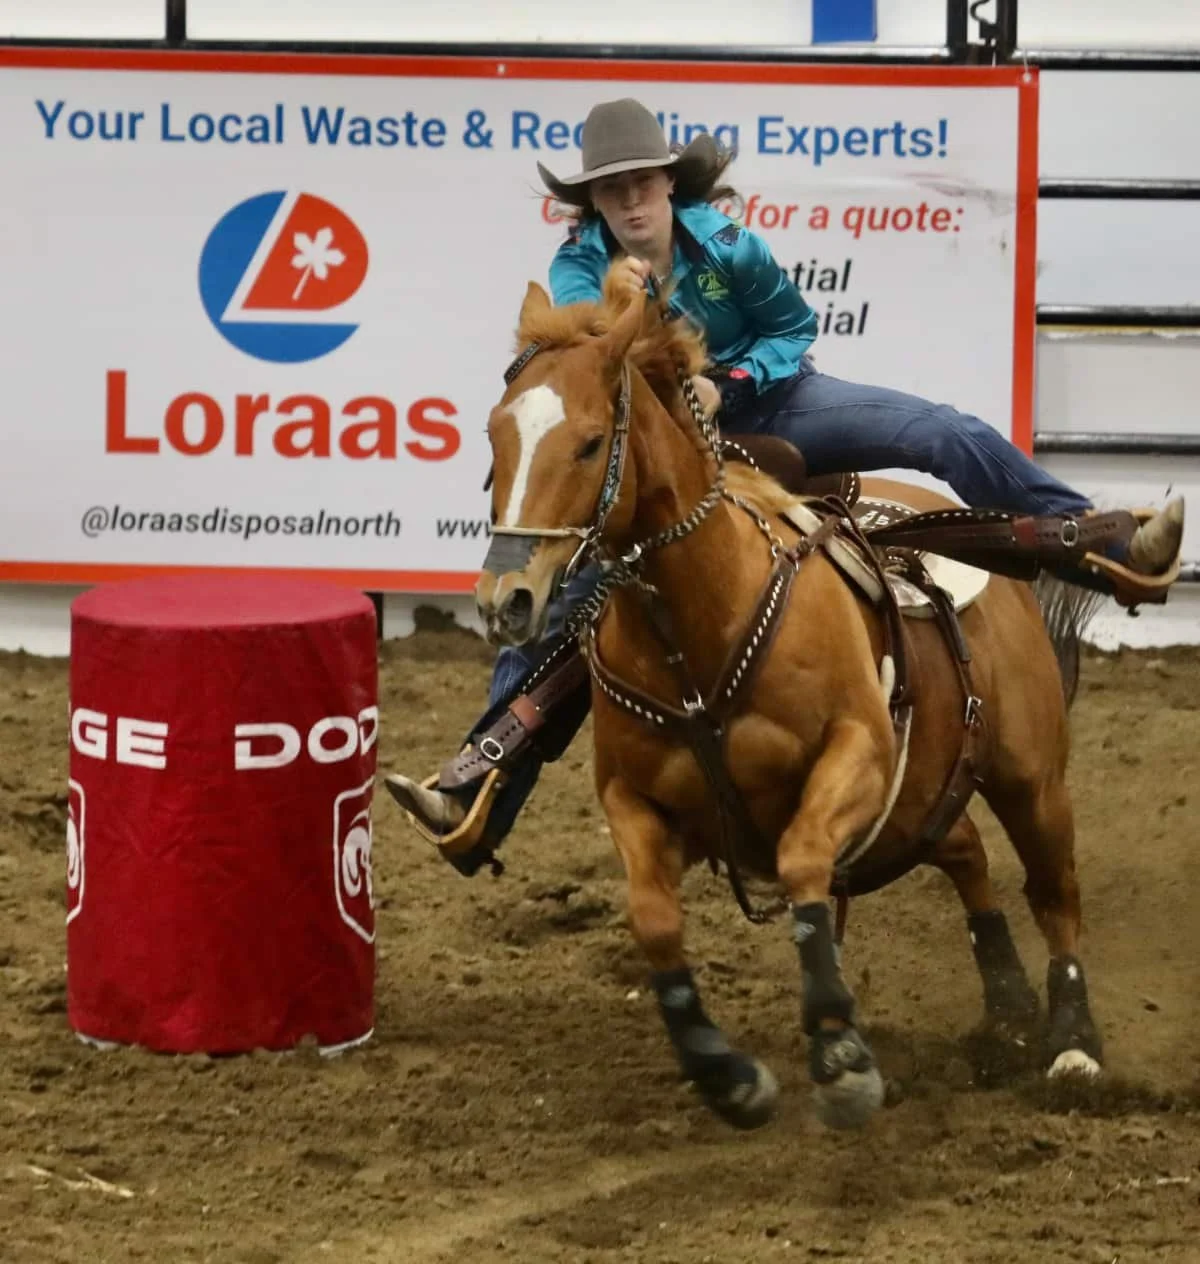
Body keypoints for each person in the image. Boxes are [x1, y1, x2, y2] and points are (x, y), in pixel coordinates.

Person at [385, 97, 1185, 867]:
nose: (629, 199)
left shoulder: (730, 247)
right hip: (664, 449)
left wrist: (723, 383)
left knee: (937, 430)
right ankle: (478, 784)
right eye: (610, 187)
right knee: (565, 599)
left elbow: (793, 330)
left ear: (669, 184)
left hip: (779, 402)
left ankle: (1097, 539)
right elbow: (588, 363)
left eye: (641, 182)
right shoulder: (577, 268)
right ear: (593, 199)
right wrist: (633, 329)